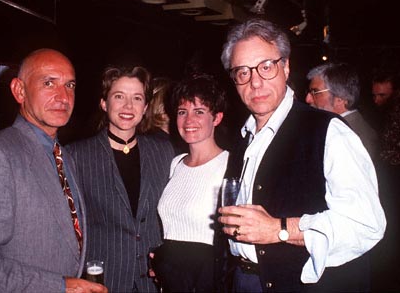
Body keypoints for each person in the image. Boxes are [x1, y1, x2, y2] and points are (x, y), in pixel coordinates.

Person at [218, 18, 386, 292]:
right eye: (243, 72)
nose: (255, 82)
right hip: (242, 281)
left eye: (266, 67)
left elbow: (366, 223)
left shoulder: (328, 131)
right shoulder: (243, 138)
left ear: (285, 67)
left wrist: (280, 229)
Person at [0, 48, 107, 293]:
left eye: (70, 85)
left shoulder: (64, 155)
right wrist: (59, 287)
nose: (63, 96)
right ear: (19, 91)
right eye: (49, 83)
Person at [67, 66, 175, 292]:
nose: (128, 106)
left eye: (137, 98)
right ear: (104, 103)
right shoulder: (76, 156)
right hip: (104, 280)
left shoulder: (163, 151)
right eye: (119, 96)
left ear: (145, 107)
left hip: (153, 281)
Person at [153, 74, 228, 292]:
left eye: (199, 112)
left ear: (217, 118)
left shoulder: (229, 165)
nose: (188, 121)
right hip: (171, 281)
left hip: (206, 282)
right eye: (182, 112)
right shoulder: (175, 163)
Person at [305, 62, 378, 160]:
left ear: (340, 98)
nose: (308, 99)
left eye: (315, 92)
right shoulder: (338, 127)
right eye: (309, 92)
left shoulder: (352, 136)